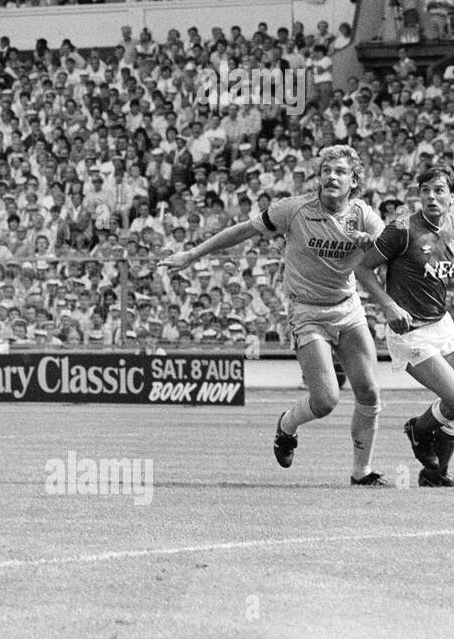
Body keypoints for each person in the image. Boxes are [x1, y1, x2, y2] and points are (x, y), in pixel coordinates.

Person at [162, 145, 389, 485]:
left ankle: (362, 472)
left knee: (369, 393)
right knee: (326, 401)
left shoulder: (364, 216)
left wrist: (372, 244)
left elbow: (389, 252)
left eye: (340, 171)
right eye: (326, 170)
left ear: (354, 180)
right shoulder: (293, 210)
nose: (331, 176)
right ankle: (287, 425)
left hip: (348, 309)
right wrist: (192, 254)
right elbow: (243, 230)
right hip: (307, 311)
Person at [354, 167, 454, 486]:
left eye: (439, 190)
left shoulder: (451, 230)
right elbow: (363, 268)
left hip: (442, 323)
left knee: (453, 404)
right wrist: (388, 304)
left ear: (451, 196)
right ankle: (421, 430)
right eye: (425, 190)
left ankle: (435, 473)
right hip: (408, 331)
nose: (431, 196)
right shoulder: (402, 228)